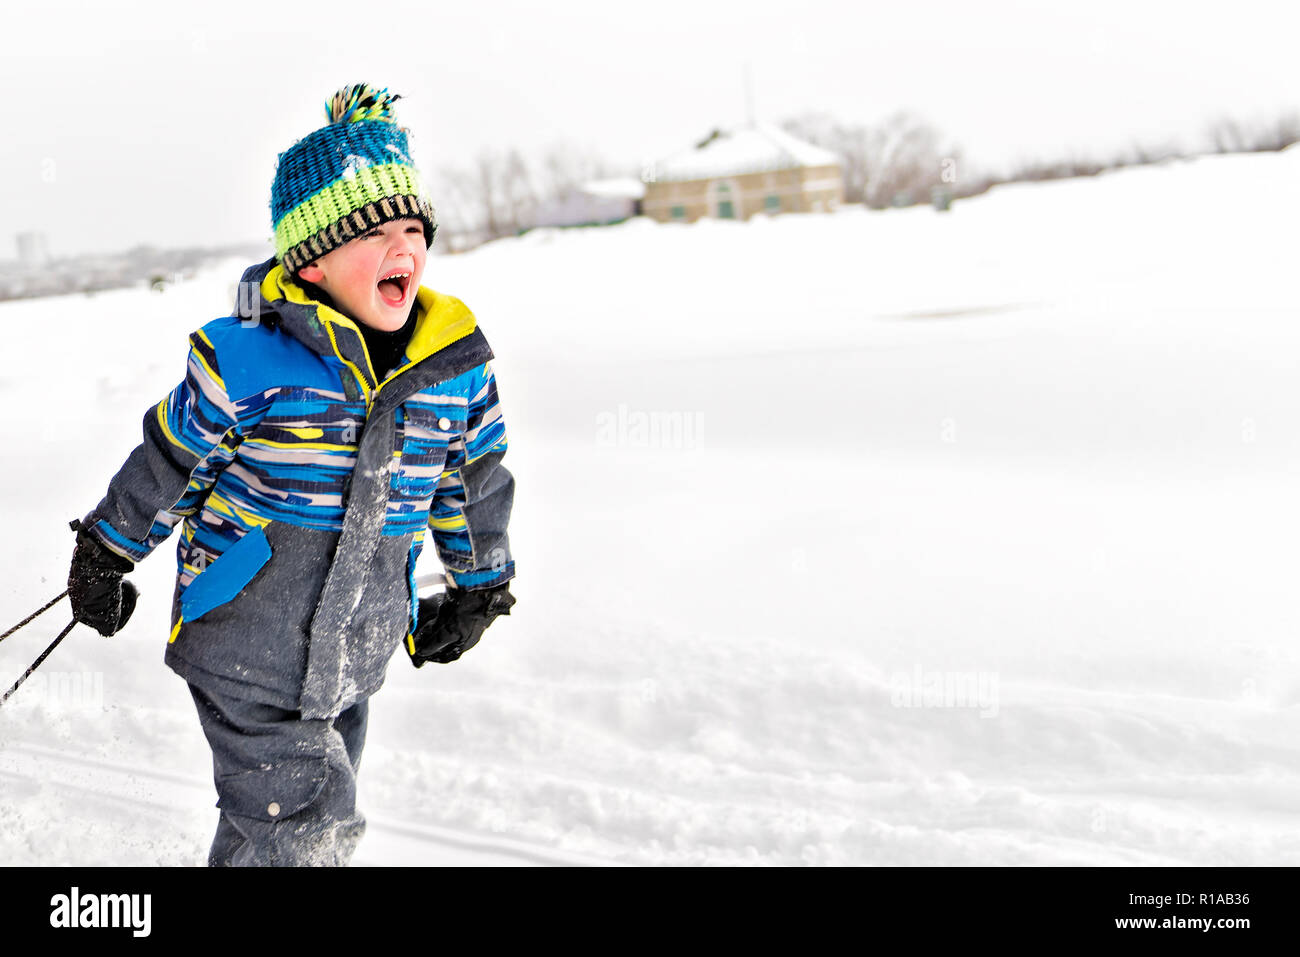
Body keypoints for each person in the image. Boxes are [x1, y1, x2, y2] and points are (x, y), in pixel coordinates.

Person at [64, 83, 517, 866]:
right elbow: (173, 456)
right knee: (306, 826)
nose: (401, 247)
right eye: (372, 232)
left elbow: (469, 479)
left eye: (413, 228)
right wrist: (109, 546)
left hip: (358, 643)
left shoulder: (451, 366)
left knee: (266, 828)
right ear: (310, 261)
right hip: (247, 637)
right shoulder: (249, 361)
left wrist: (479, 583)